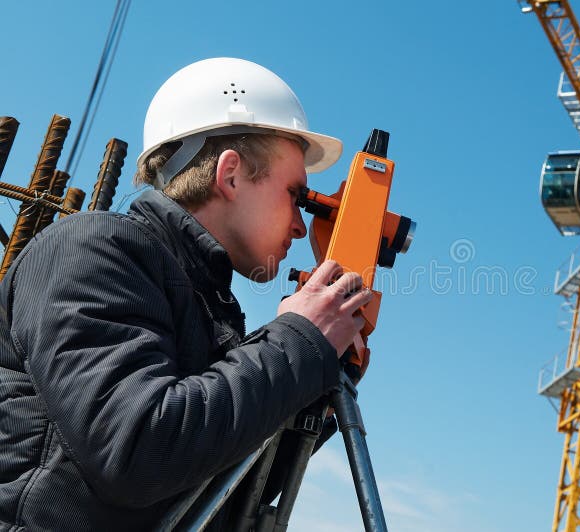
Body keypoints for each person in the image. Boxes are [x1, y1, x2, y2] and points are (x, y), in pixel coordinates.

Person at [0, 57, 370, 531]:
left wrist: (321, 370)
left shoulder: (204, 302)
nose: (301, 226)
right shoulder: (90, 249)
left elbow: (223, 493)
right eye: (296, 195)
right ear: (231, 174)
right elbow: (136, 449)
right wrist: (297, 342)